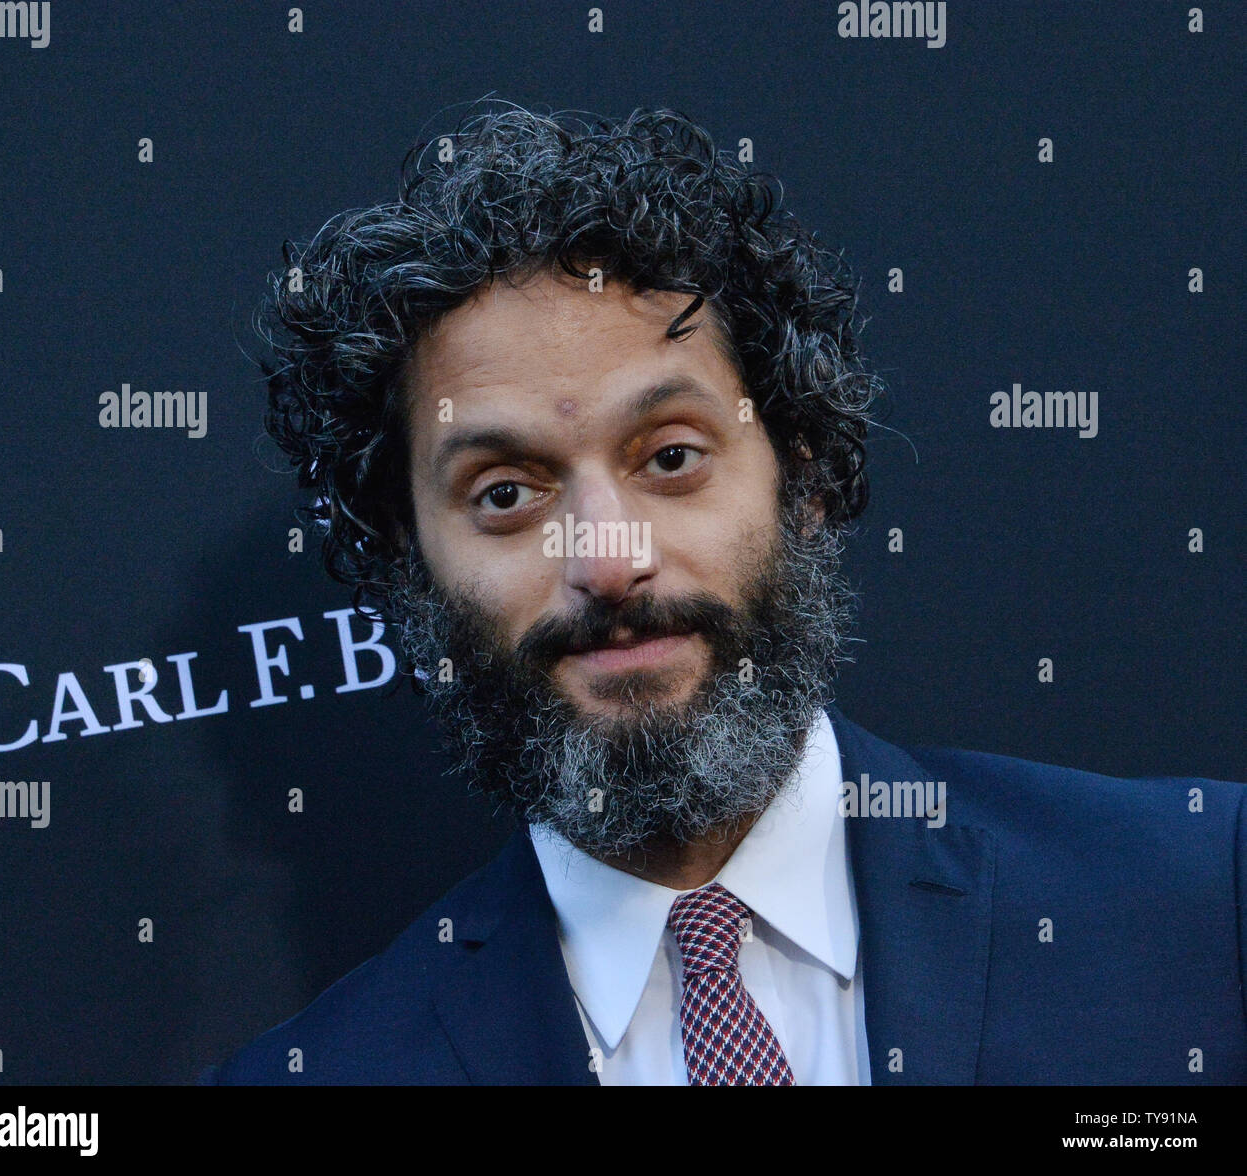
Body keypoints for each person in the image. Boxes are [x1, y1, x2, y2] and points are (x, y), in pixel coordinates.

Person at [201, 104, 1245, 1085]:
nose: (607, 562)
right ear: (409, 562)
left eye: (670, 458)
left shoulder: (1202, 902)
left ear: (801, 475)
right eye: (506, 492)